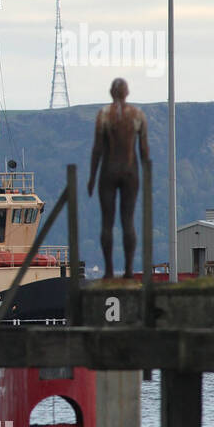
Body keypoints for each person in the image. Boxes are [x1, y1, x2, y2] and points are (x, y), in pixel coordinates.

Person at [88, 77, 150, 279]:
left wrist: (91, 176)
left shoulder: (104, 115)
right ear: (127, 92)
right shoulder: (138, 115)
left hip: (108, 170)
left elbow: (97, 149)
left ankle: (107, 270)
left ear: (111, 92)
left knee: (107, 222)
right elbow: (143, 150)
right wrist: (147, 175)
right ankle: (129, 270)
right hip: (131, 171)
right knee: (128, 221)